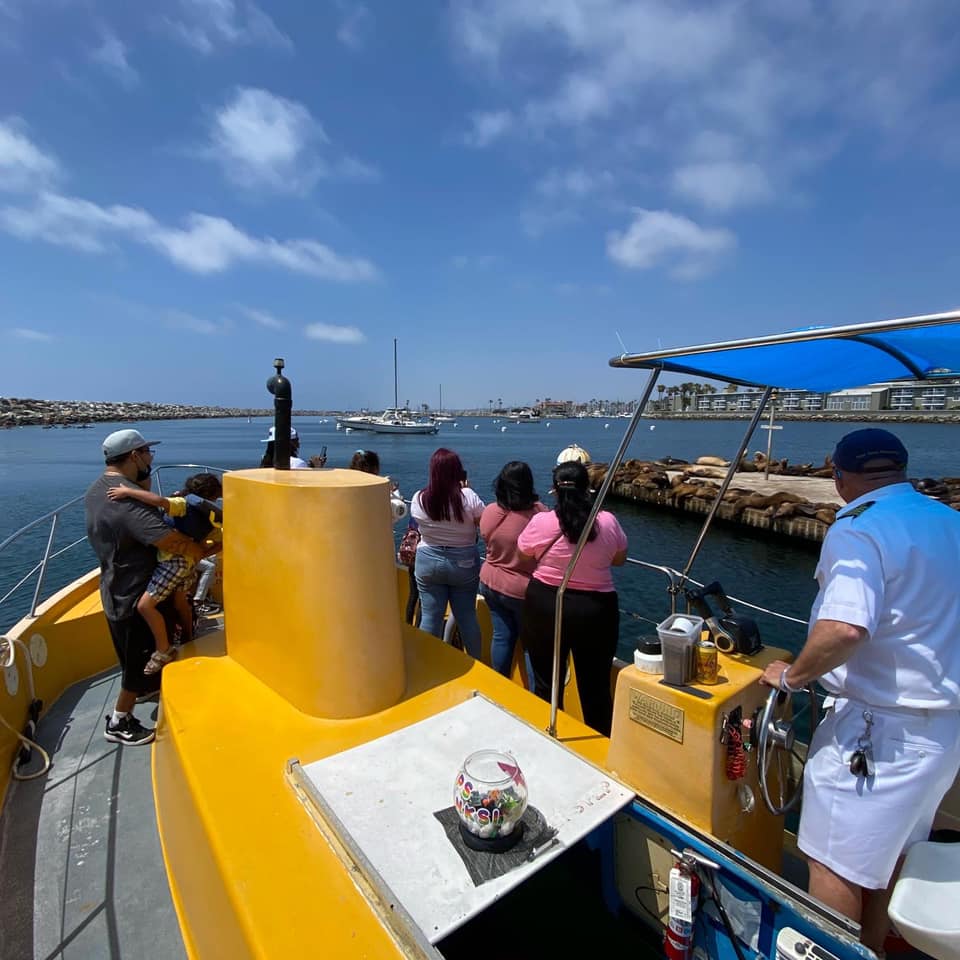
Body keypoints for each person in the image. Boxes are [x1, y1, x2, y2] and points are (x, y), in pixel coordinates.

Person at [760, 428, 960, 953]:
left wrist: (791, 676)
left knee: (833, 866)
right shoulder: (948, 521)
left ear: (839, 476)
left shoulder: (857, 528)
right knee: (889, 859)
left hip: (878, 735)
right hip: (941, 733)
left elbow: (846, 628)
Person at [85, 429, 209, 745]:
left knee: (136, 659)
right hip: (134, 592)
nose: (152, 458)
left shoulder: (100, 489)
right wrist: (199, 551)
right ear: (135, 456)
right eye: (147, 452)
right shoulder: (126, 501)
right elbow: (168, 540)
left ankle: (146, 689)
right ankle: (119, 721)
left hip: (115, 585)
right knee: (137, 664)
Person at [518, 460, 627, 736]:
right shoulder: (607, 521)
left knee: (546, 682)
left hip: (546, 605)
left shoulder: (541, 521)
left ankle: (548, 735)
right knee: (596, 687)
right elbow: (619, 559)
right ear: (588, 489)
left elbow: (523, 555)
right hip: (596, 610)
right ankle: (600, 744)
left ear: (554, 490)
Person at [106, 472, 223, 674]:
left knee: (145, 606)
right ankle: (188, 638)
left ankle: (163, 649)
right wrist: (203, 553)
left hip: (172, 563)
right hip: (187, 564)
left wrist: (128, 492)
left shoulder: (183, 504)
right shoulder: (208, 518)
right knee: (180, 602)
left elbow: (159, 501)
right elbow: (221, 541)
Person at [410, 448, 485, 657]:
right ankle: (477, 666)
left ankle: (428, 666)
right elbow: (483, 522)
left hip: (428, 560)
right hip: (463, 562)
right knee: (467, 617)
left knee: (430, 618)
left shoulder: (418, 498)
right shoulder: (468, 496)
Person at [478, 462, 547, 677]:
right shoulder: (539, 514)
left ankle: (501, 684)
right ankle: (535, 700)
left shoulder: (490, 511)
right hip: (520, 590)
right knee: (531, 646)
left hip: (489, 581)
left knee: (501, 636)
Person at [259, 426, 326, 469]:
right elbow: (307, 488)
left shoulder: (265, 463)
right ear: (290, 443)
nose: (298, 445)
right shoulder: (296, 463)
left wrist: (310, 467)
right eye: (297, 441)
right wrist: (317, 468)